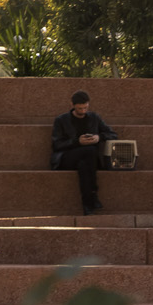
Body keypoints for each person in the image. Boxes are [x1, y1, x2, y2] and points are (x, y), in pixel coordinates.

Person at [49, 89, 114, 218]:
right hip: (67, 157)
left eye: (85, 108)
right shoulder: (61, 120)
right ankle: (93, 194)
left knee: (84, 165)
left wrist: (98, 138)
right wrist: (77, 142)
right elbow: (57, 145)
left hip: (88, 160)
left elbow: (112, 134)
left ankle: (88, 205)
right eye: (80, 109)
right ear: (72, 105)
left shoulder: (94, 118)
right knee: (90, 151)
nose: (83, 111)